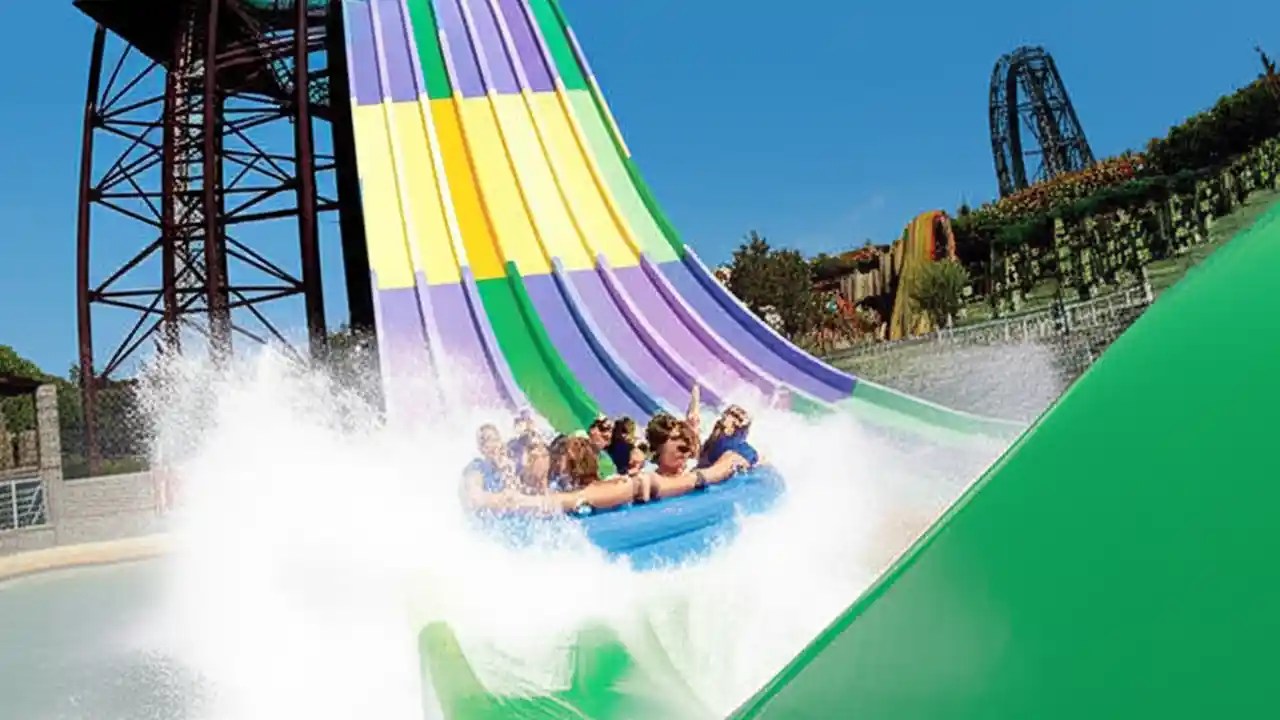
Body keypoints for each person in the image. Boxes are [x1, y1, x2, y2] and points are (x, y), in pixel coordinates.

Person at [461, 424, 519, 510]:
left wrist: (507, 473)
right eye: (488, 441)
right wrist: (503, 499)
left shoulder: (508, 467)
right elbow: (475, 498)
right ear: (481, 448)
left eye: (496, 440)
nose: (494, 445)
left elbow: (515, 496)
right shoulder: (476, 467)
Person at [699, 404, 762, 469]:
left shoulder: (730, 445)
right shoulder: (719, 428)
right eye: (728, 412)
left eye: (732, 414)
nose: (726, 415)